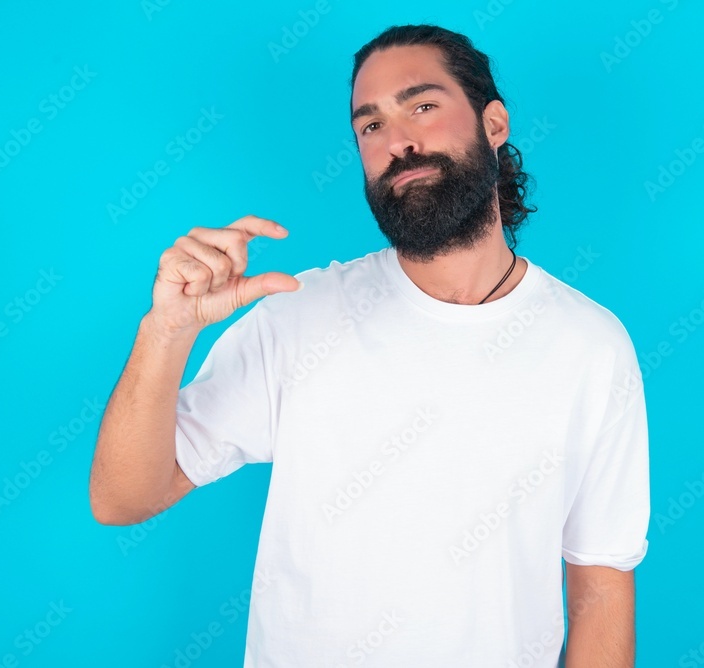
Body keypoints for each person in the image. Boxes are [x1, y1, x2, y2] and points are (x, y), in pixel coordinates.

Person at [89, 23, 650, 668]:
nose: (399, 142)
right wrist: (167, 332)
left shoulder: (591, 347)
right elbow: (123, 498)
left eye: (423, 106)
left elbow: (602, 585)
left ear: (494, 124)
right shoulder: (299, 314)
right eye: (370, 126)